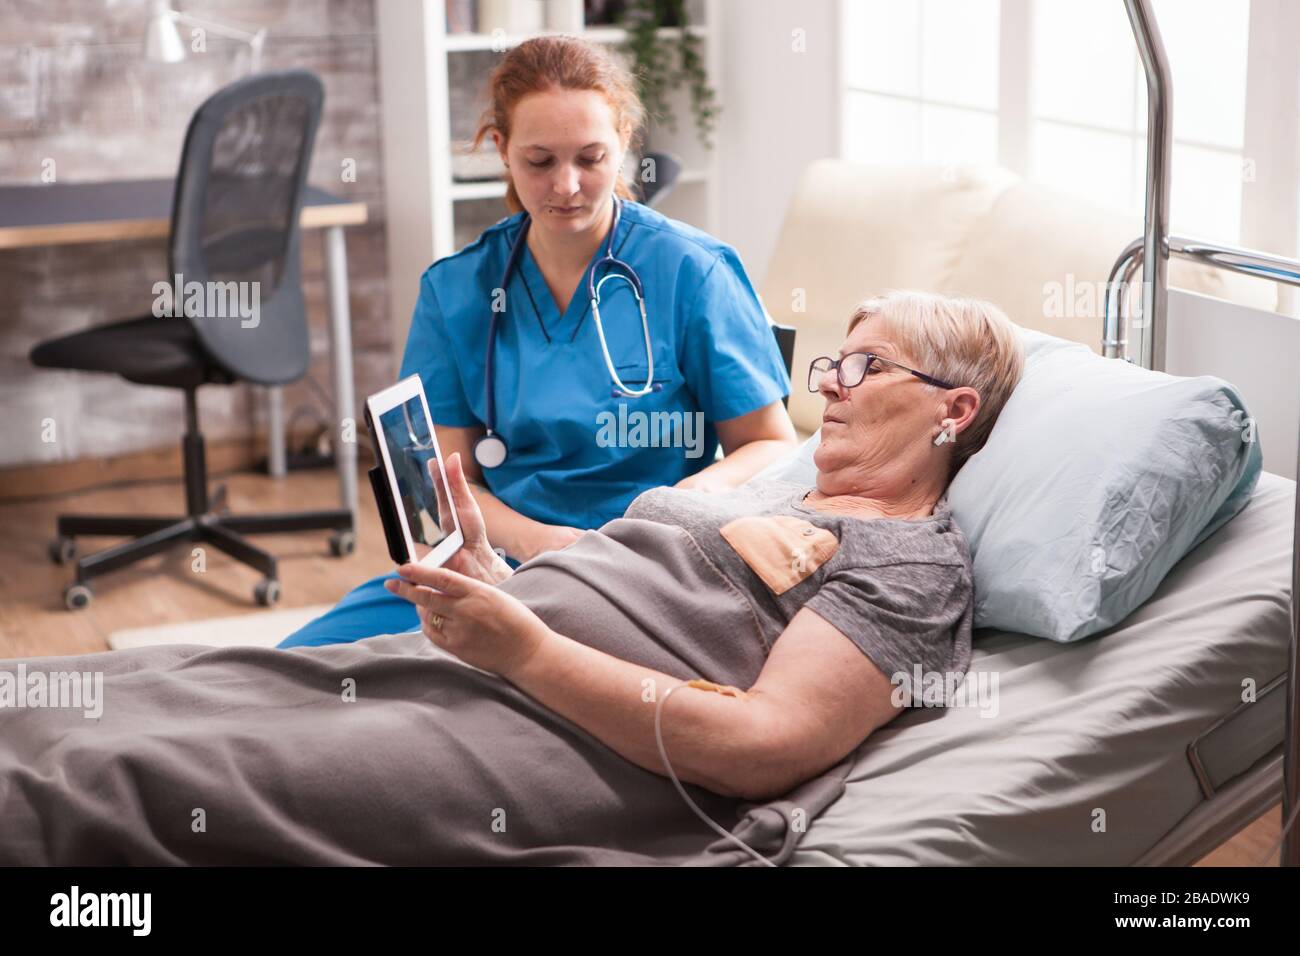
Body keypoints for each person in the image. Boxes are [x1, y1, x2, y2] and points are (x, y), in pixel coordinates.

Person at [0, 292, 1026, 865]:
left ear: (952, 412)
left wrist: (525, 644)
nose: (831, 389)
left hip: (557, 740)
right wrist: (498, 575)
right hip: (474, 665)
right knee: (118, 695)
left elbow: (762, 747)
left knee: (132, 782)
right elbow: (642, 582)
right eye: (831, 366)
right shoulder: (785, 501)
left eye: (865, 368)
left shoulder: (910, 563)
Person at [280, 36, 797, 649]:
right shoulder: (457, 290)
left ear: (625, 139)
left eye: (590, 156)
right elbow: (452, 483)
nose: (567, 185)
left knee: (463, 692)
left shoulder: (692, 272)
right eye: (540, 160)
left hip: (645, 569)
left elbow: (770, 443)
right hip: (497, 561)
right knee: (312, 661)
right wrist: (536, 544)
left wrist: (695, 493)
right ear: (500, 149)